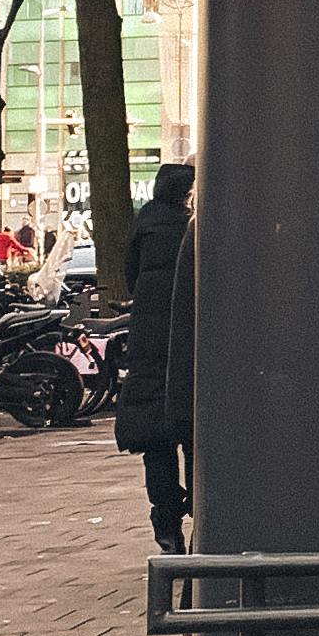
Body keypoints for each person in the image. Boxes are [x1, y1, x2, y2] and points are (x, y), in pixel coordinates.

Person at [115, 161, 197, 549]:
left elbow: (130, 278)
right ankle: (201, 514)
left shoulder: (143, 225)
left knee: (155, 444)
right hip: (186, 345)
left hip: (147, 349)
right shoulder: (192, 228)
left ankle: (166, 525)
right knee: (194, 437)